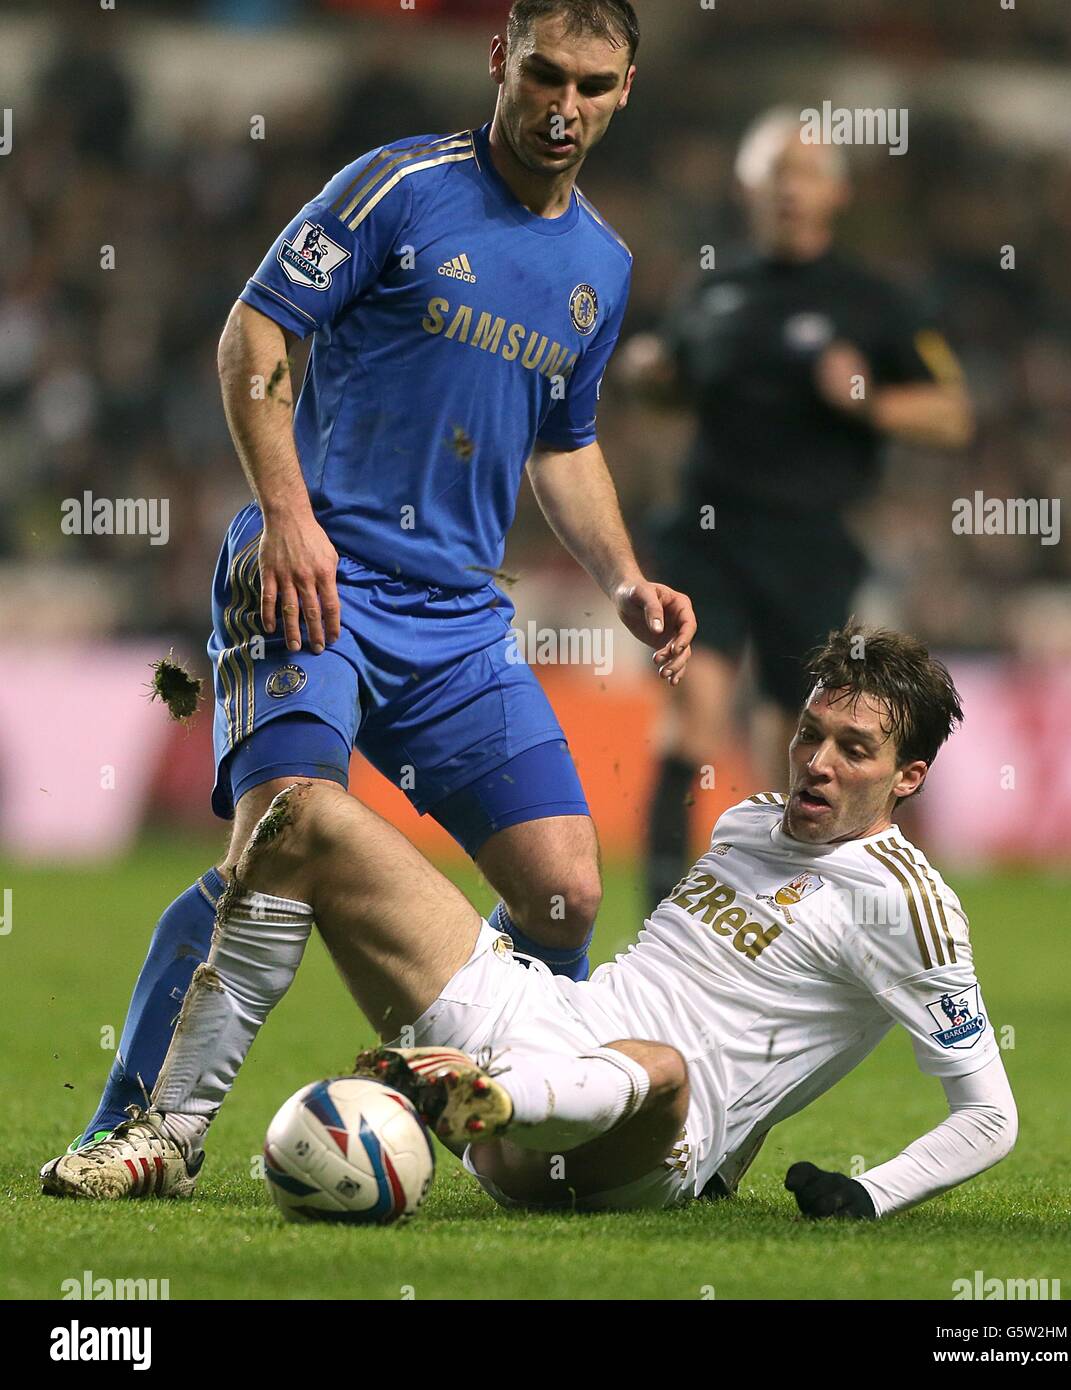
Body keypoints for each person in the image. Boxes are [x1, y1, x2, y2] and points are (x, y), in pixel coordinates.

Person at [43, 0, 699, 1174]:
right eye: (545, 74)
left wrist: (625, 576)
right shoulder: (397, 187)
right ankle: (147, 1129)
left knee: (561, 891)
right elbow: (253, 339)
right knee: (286, 824)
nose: (564, 107)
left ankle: (490, 1105)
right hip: (316, 583)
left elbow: (564, 442)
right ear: (499, 60)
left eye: (593, 87)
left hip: (460, 620)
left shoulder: (600, 263)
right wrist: (289, 520)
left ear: (625, 92)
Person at [43, 624, 1016, 1222]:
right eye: (810, 732)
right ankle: (170, 1130)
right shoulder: (746, 821)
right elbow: (745, 1008)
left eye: (854, 748)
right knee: (307, 818)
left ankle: (481, 1095)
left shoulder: (906, 902)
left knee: (665, 1063)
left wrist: (869, 1191)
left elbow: (988, 1115)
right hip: (547, 1018)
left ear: (907, 776)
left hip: (639, 1144)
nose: (817, 760)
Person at [620, 107, 974, 912]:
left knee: (805, 741)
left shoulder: (876, 300)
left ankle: (800, 914)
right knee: (693, 714)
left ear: (837, 192)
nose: (790, 187)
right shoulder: (713, 288)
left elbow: (952, 413)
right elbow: (670, 386)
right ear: (748, 186)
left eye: (806, 171)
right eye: (775, 170)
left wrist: (869, 400)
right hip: (708, 536)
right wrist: (649, 373)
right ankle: (659, 925)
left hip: (812, 545)